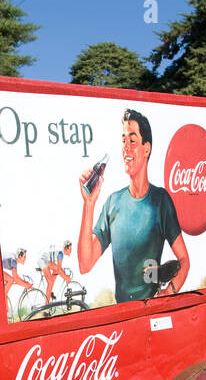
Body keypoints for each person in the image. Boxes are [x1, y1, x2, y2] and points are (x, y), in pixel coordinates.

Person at [77, 109, 189, 303]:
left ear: (147, 149)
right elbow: (85, 264)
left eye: (132, 140)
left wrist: (168, 292)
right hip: (123, 317)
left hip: (151, 313)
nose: (125, 148)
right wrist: (89, 204)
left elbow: (184, 261)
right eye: (123, 141)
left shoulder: (160, 200)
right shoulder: (113, 202)